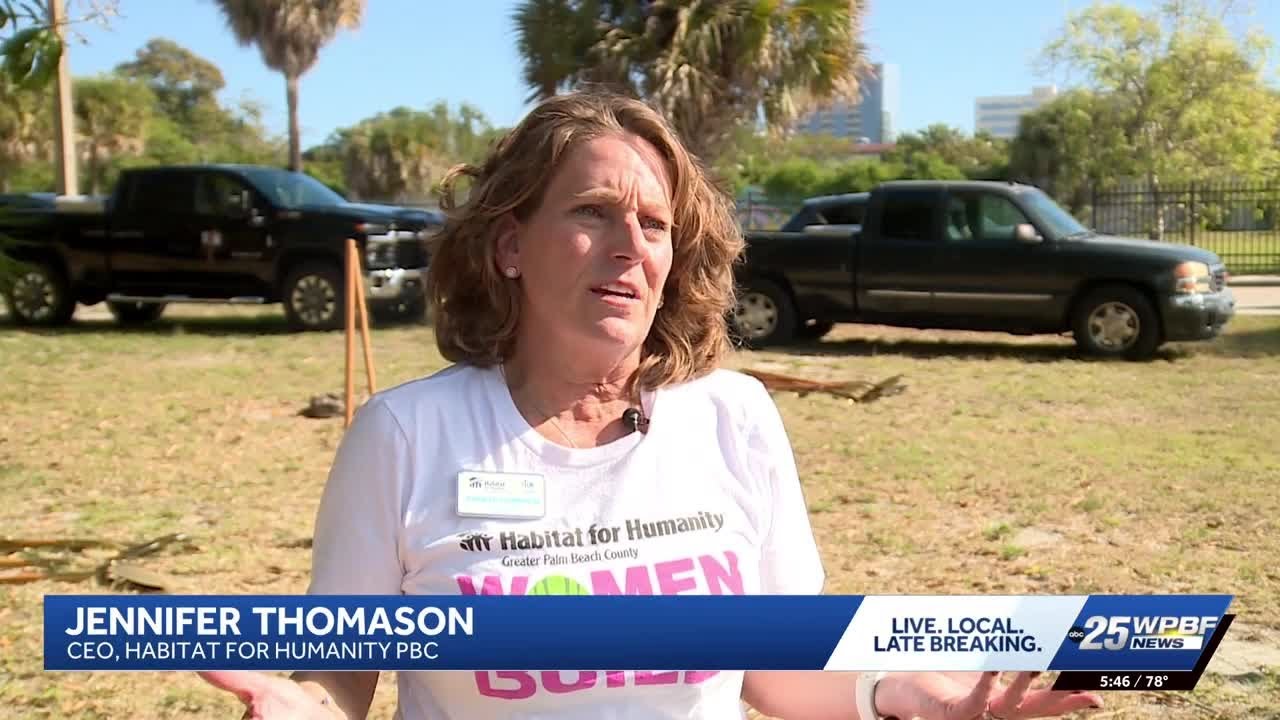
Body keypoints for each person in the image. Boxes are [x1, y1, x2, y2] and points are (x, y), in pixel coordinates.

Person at [199, 90, 1104, 720]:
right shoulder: (404, 437)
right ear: (511, 245)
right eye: (594, 210)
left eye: (656, 223)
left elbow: (780, 662)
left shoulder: (734, 418)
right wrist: (295, 709)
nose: (629, 246)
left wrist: (906, 695)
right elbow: (340, 678)